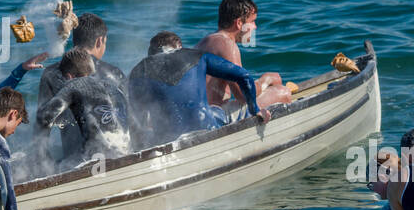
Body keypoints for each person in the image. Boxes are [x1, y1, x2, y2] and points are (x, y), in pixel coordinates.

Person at [125, 40, 271, 147]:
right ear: (180, 48)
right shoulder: (196, 56)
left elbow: (135, 119)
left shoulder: (138, 71)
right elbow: (243, 76)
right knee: (216, 110)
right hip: (207, 129)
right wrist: (255, 110)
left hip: (166, 140)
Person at [38, 13, 125, 158]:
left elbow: (42, 123)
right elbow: (128, 117)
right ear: (100, 41)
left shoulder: (51, 73)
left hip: (73, 157)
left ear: (74, 39)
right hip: (115, 155)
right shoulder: (114, 74)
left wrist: (43, 161)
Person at [196, 0, 292, 115]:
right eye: (252, 21)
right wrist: (266, 80)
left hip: (197, 113)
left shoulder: (205, 41)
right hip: (213, 116)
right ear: (239, 23)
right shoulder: (227, 45)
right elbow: (243, 96)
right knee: (283, 93)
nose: (255, 26)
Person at [36, 49, 133, 161]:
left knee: (58, 163)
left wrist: (43, 156)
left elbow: (44, 117)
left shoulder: (73, 85)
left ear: (68, 77)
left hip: (99, 162)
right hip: (127, 154)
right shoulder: (113, 86)